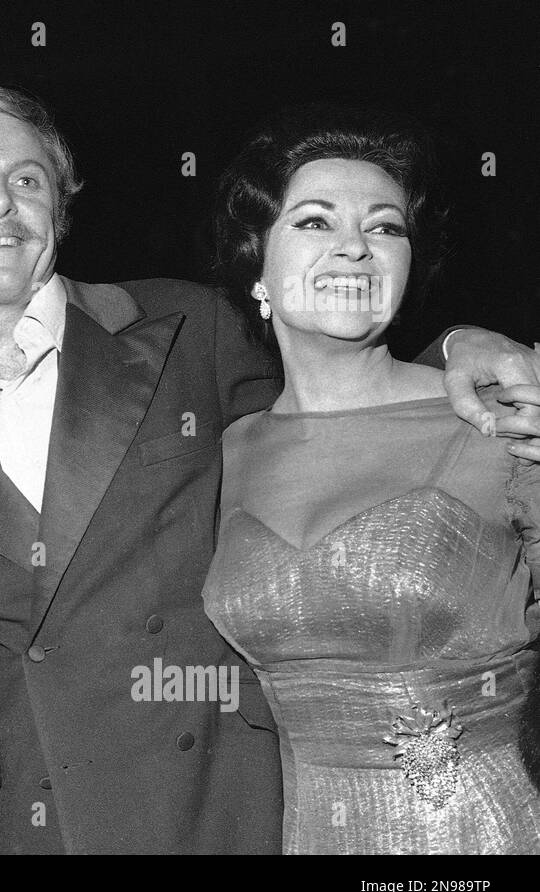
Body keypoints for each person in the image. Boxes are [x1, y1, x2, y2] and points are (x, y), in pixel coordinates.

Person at [0, 83, 540, 854]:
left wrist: (467, 350)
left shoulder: (188, 326)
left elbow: (343, 385)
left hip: (216, 803)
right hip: (44, 814)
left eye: (26, 179)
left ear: (60, 210)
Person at [202, 105, 540, 853]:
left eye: (386, 226)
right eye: (316, 222)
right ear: (256, 262)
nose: (355, 246)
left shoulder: (501, 422)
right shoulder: (228, 451)